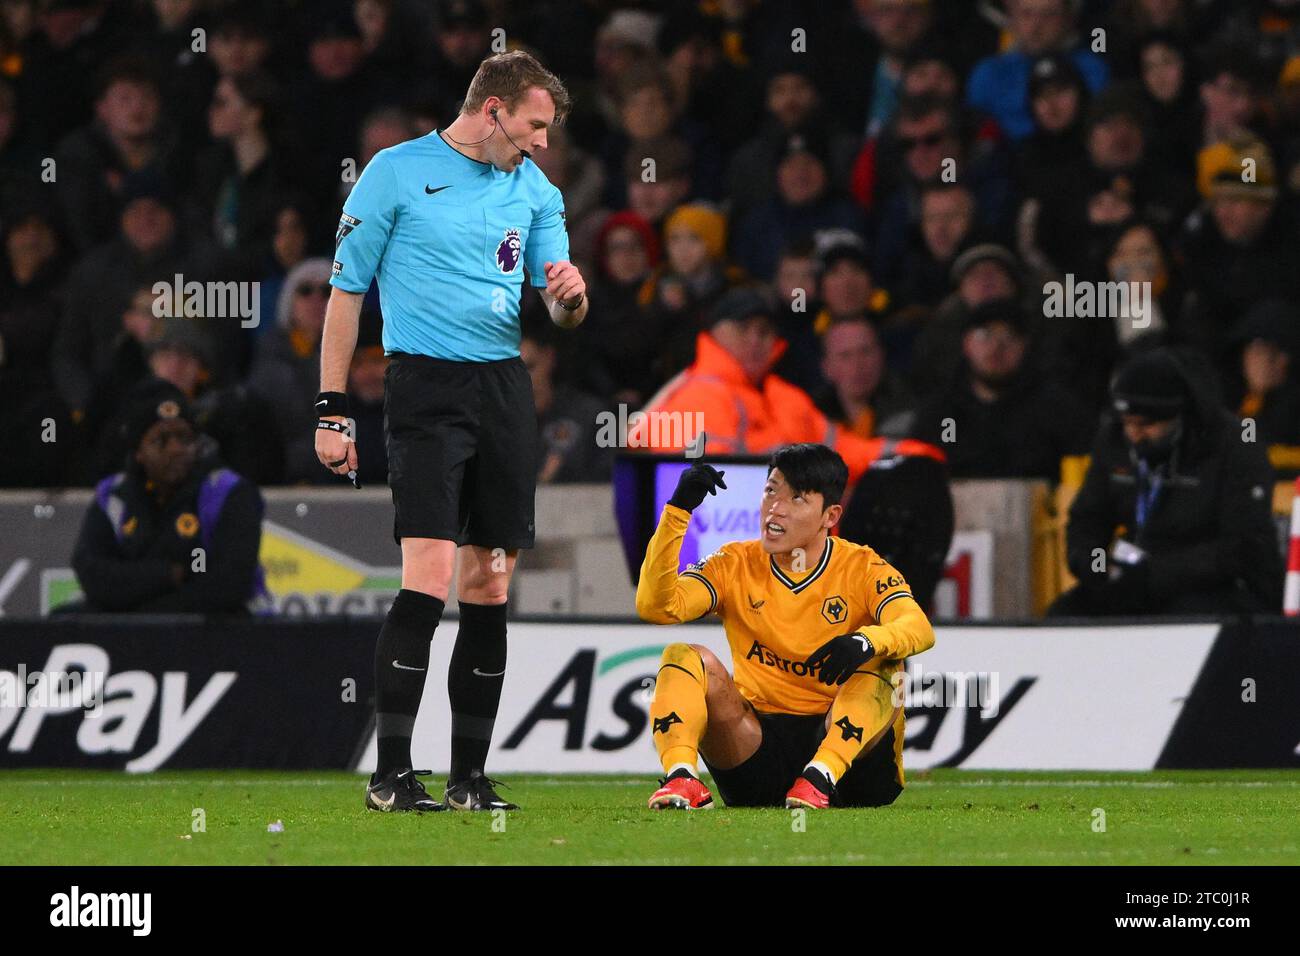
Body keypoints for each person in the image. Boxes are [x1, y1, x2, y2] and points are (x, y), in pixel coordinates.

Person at [319, 51, 587, 813]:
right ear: (495, 109)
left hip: (504, 389)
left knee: (491, 580)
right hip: (425, 386)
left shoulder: (535, 190)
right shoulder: (397, 172)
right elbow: (345, 294)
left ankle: (469, 778)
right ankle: (391, 775)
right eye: (535, 125)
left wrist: (569, 297)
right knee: (429, 576)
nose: (542, 141)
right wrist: (331, 409)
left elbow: (560, 305)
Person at [635, 443, 935, 809]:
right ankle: (681, 776)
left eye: (797, 499)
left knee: (887, 662)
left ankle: (820, 774)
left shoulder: (862, 567)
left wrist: (865, 641)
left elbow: (918, 627)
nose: (776, 508)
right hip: (758, 757)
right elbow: (658, 607)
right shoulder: (734, 563)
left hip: (852, 771)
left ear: (830, 515)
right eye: (771, 490)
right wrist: (677, 511)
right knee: (682, 656)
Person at [1051, 349, 1283, 615]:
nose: (1134, 434)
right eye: (1127, 422)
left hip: (1219, 586)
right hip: (1139, 577)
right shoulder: (1115, 438)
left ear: (1178, 416)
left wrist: (1154, 574)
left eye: (1146, 424)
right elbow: (1088, 517)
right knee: (1065, 613)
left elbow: (1243, 547)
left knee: (1183, 616)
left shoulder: (1236, 444)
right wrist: (1096, 564)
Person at [640, 286, 941, 483]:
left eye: (764, 331)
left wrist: (905, 453)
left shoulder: (784, 397)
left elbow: (841, 452)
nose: (756, 340)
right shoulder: (699, 395)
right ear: (715, 333)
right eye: (744, 329)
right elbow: (709, 492)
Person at [68, 379, 270, 614]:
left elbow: (228, 584)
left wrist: (146, 613)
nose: (175, 449)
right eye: (161, 440)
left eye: (184, 438)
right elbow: (93, 573)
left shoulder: (227, 491)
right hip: (131, 624)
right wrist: (169, 574)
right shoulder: (113, 495)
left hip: (213, 629)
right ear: (139, 453)